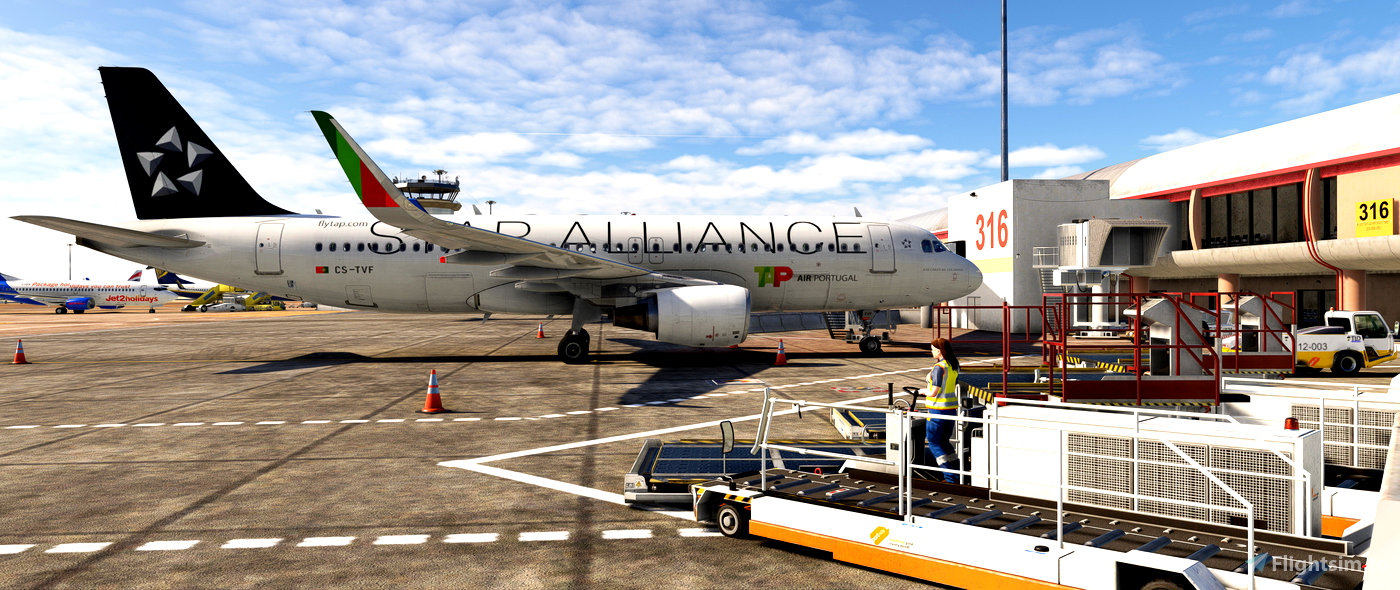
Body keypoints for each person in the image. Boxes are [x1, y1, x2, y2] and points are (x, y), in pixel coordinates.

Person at [924, 338, 961, 484]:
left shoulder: (939, 367)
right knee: (945, 442)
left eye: (933, 349)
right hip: (950, 410)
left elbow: (933, 392)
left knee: (934, 442)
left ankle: (949, 477)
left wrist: (921, 391)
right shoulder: (953, 365)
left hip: (937, 411)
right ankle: (958, 473)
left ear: (939, 351)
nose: (931, 352)